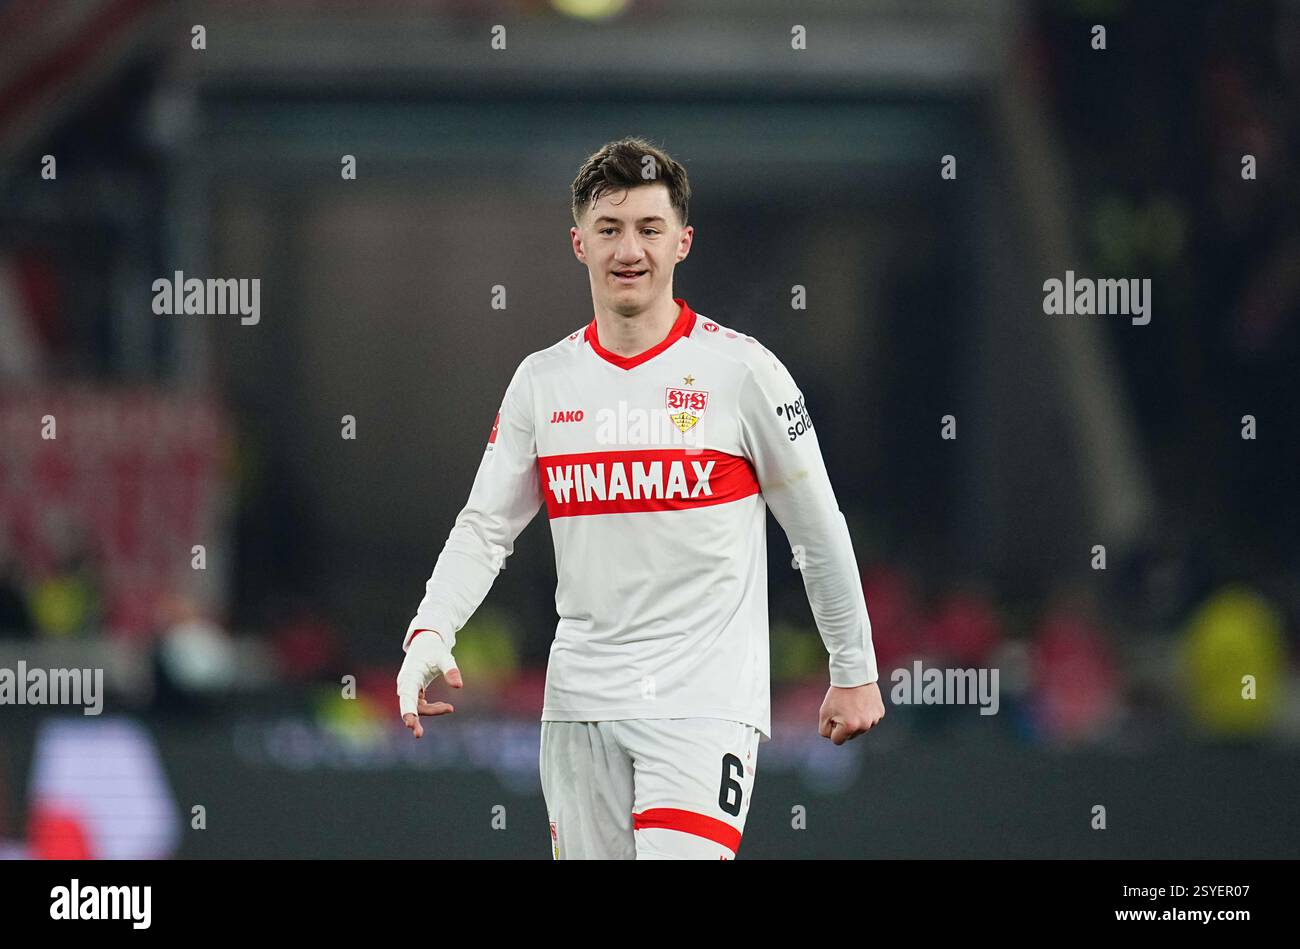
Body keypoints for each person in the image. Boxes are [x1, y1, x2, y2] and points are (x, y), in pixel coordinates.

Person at [396, 137, 883, 859]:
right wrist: (430, 629)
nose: (631, 249)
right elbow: (485, 527)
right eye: (610, 229)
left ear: (683, 241)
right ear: (578, 243)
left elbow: (816, 530)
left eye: (650, 229)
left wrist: (854, 667)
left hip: (702, 703)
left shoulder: (743, 373)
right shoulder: (543, 381)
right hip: (579, 708)